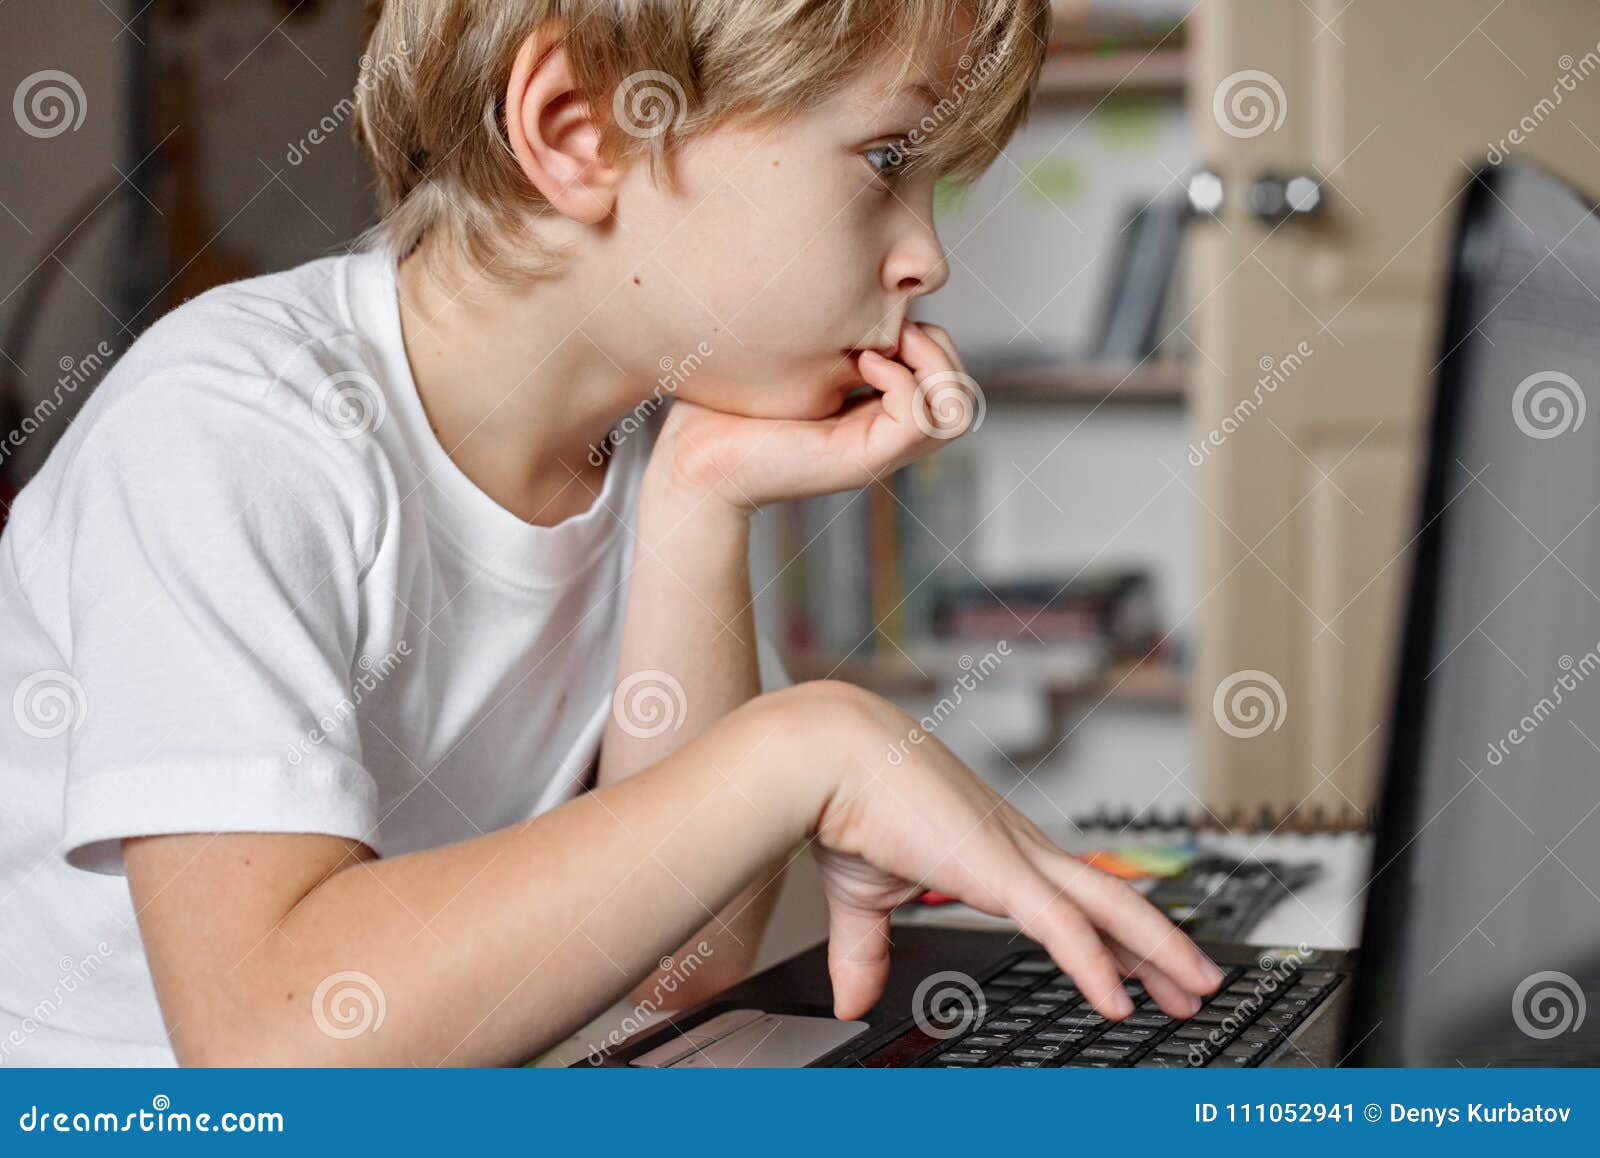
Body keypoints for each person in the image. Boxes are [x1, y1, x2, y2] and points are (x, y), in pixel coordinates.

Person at [0, 0, 1222, 1066]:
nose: (926, 260)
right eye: (886, 160)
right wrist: (809, 746)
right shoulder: (233, 427)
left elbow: (682, 966)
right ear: (579, 130)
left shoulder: (643, 434)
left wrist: (701, 495)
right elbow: (267, 1050)